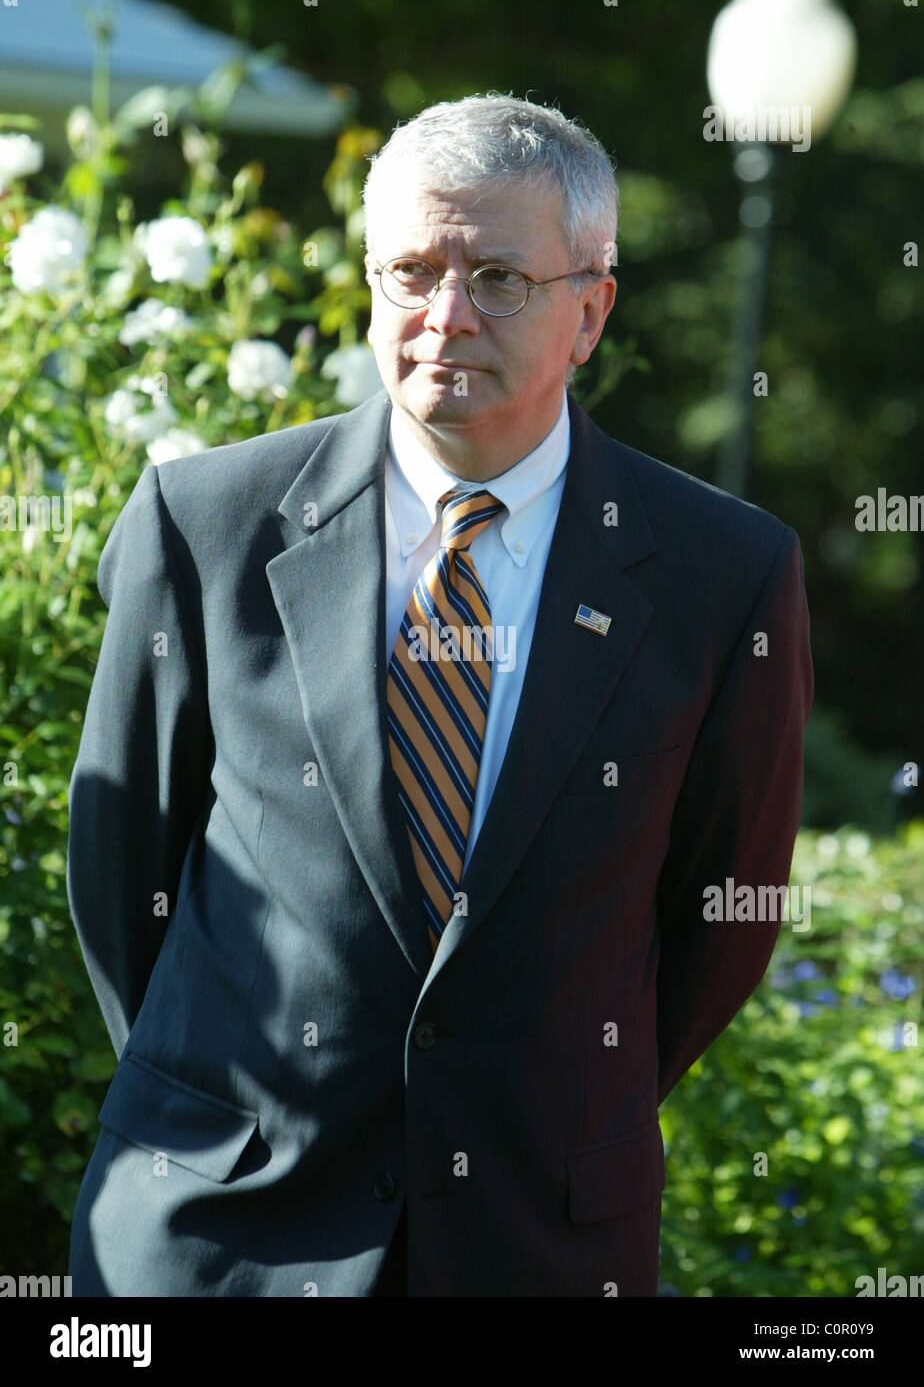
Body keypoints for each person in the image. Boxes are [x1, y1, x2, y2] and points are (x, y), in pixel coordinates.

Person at [66, 93, 813, 1297]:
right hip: (218, 1237)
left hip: (535, 1237)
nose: (446, 317)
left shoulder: (723, 574)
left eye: (501, 279)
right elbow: (122, 875)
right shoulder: (207, 527)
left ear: (591, 310)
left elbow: (720, 914)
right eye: (411, 271)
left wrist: (538, 1092)